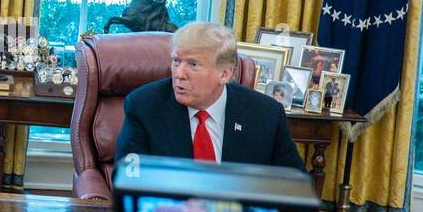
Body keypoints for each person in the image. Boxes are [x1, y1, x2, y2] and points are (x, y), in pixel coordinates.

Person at [115, 21, 303, 171]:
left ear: (225, 74)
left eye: (193, 64)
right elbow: (127, 177)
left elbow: (294, 185)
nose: (179, 74)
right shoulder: (144, 106)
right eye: (176, 61)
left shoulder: (266, 114)